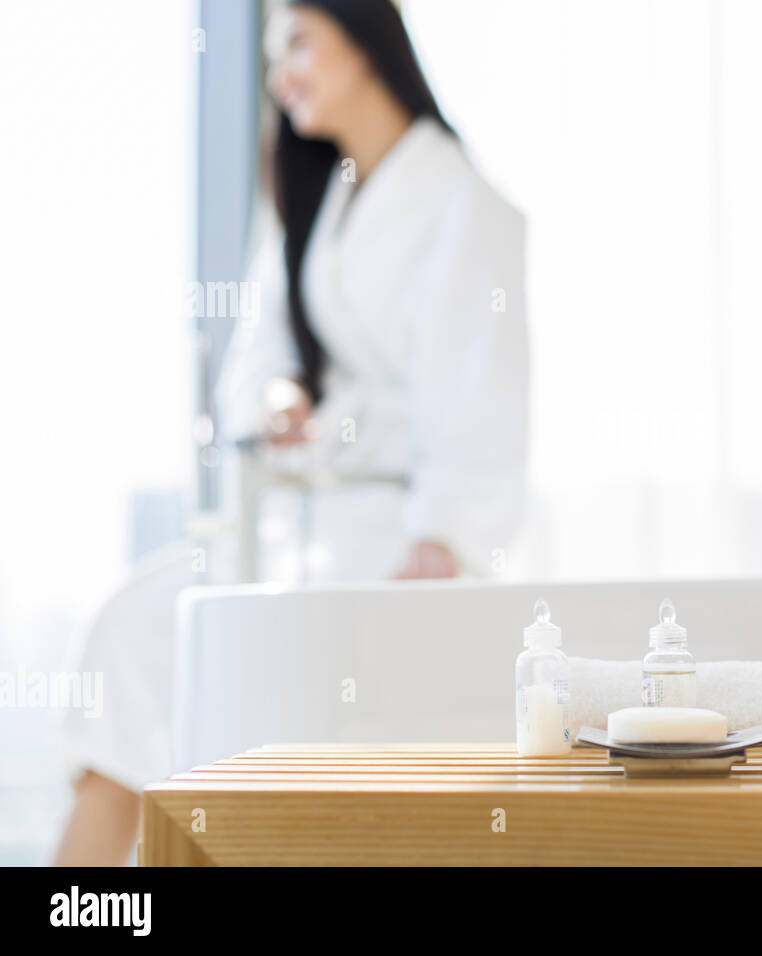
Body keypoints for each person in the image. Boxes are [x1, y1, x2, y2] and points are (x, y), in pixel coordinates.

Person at [53, 0, 527, 865]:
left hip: (389, 542)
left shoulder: (464, 205)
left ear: (364, 37)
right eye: (273, 56)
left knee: (250, 706)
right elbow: (262, 350)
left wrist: (442, 541)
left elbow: (482, 402)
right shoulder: (317, 200)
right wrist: (279, 392)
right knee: (131, 626)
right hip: (287, 530)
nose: (281, 74)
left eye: (298, 42)